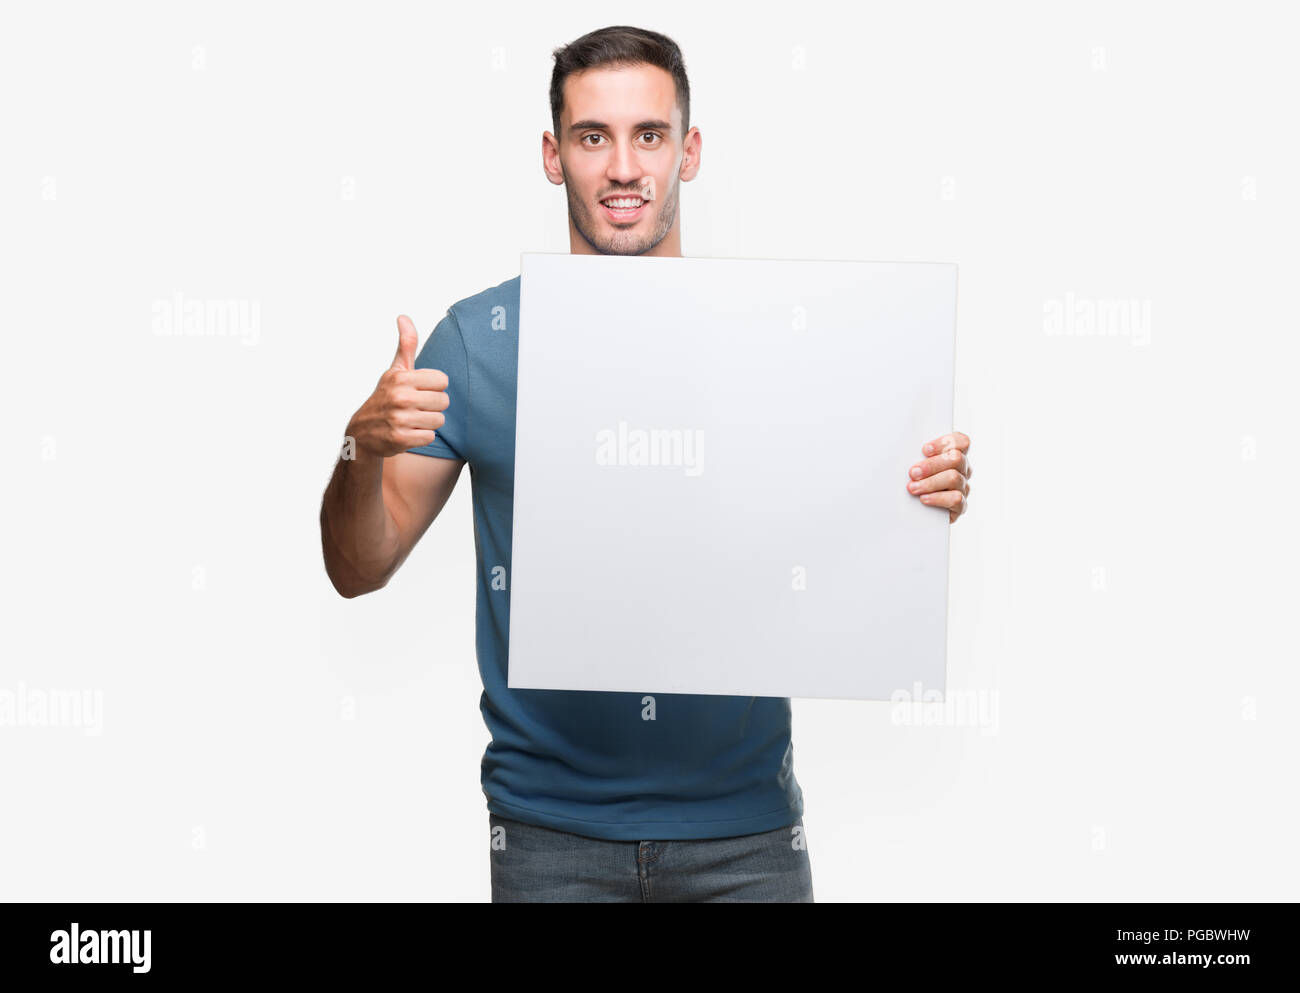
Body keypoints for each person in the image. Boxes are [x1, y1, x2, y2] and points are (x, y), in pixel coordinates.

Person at [319, 25, 973, 903]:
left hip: (748, 834)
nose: (624, 166)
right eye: (594, 137)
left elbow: (833, 533)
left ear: (689, 153)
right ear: (554, 157)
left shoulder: (776, 339)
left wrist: (919, 498)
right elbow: (357, 567)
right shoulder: (480, 343)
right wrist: (361, 444)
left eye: (649, 135)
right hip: (549, 833)